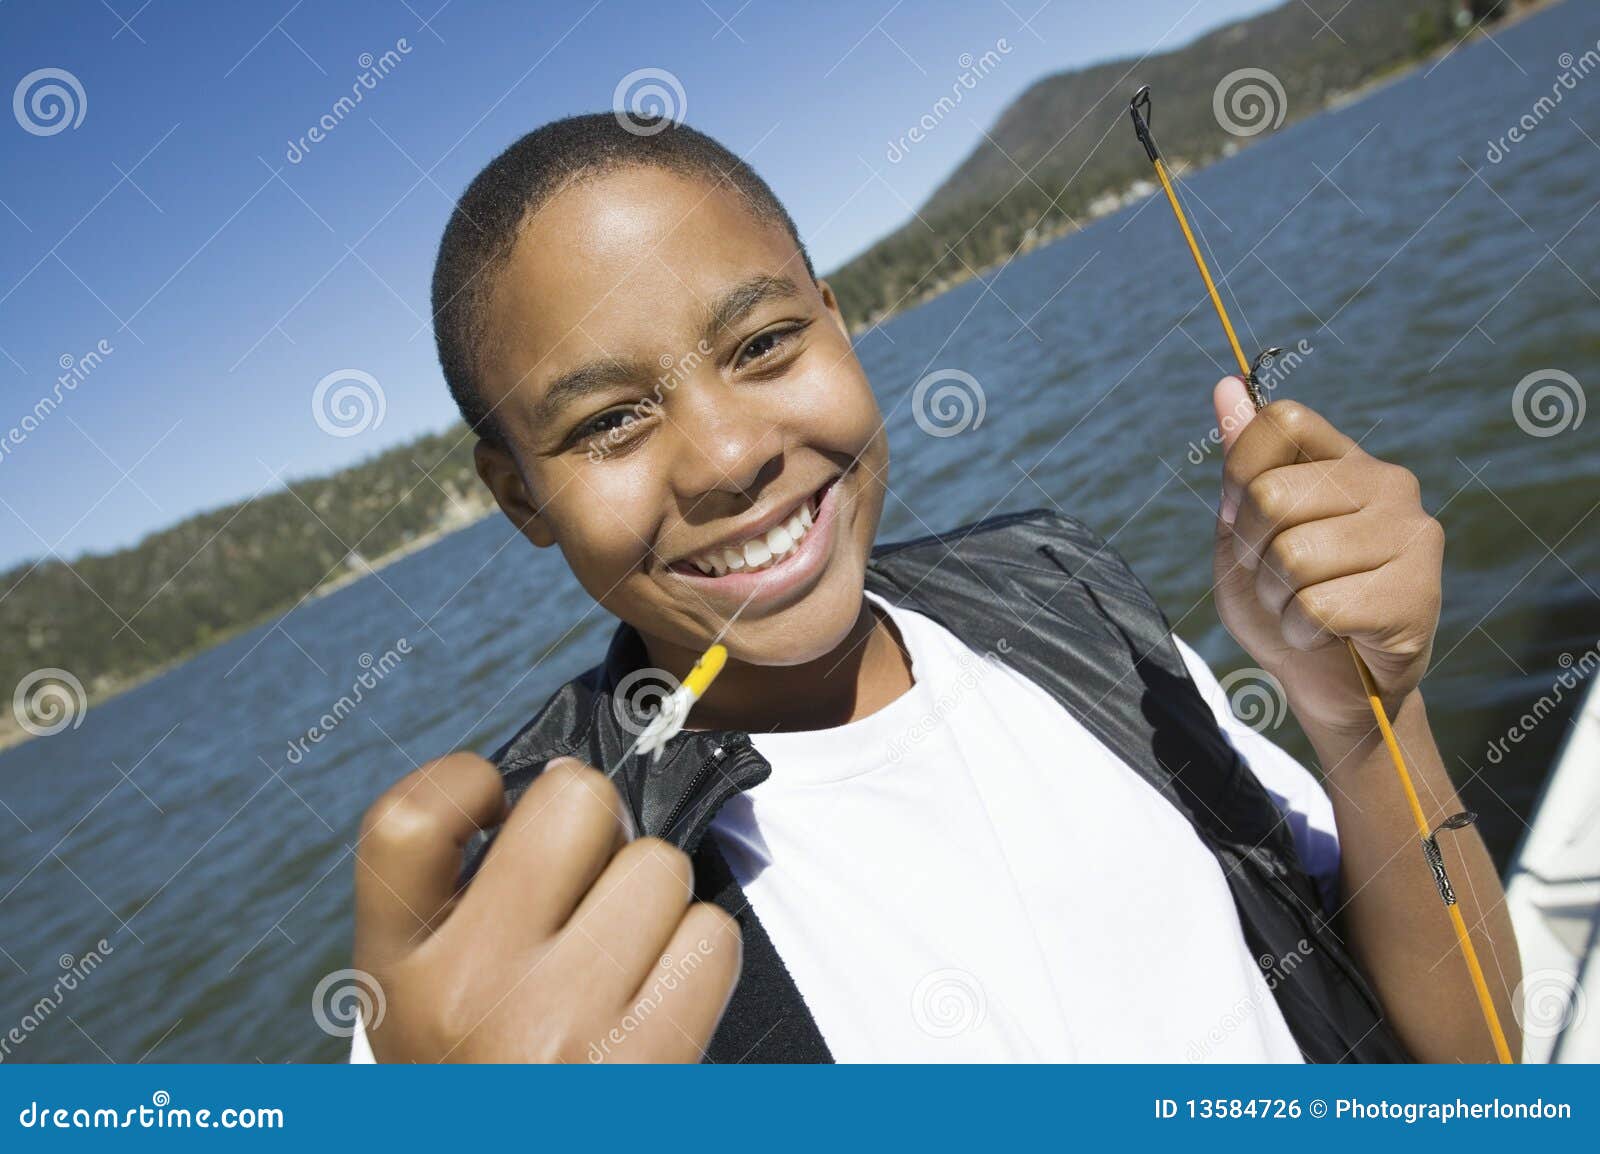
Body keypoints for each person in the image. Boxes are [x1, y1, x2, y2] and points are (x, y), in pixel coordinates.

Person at [348, 114, 1521, 1063]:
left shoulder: (1068, 595)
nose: (725, 456)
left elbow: (1475, 1069)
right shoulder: (491, 944)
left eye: (762, 343)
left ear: (837, 324)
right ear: (517, 495)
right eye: (609, 421)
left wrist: (1367, 720)